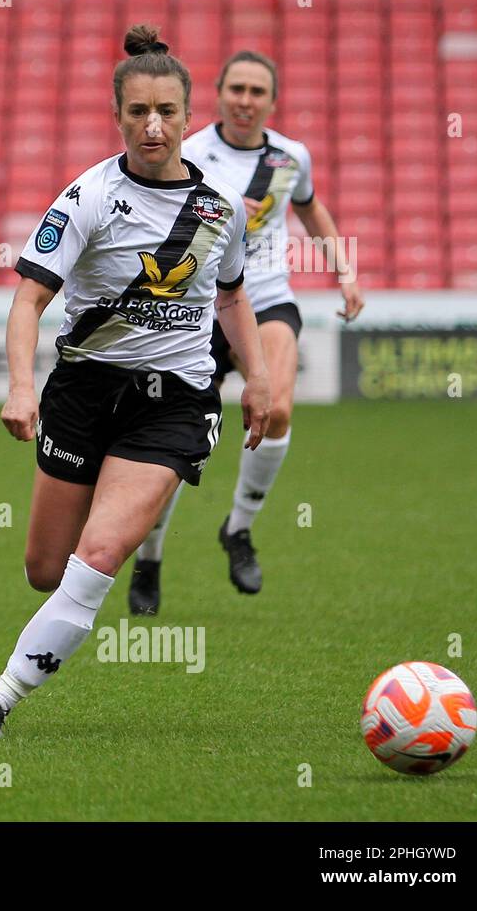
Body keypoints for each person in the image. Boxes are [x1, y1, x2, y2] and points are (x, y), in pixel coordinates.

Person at [0, 24, 270, 738]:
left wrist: (255, 378)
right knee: (46, 569)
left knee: (97, 557)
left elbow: (230, 296)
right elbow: (29, 300)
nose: (154, 126)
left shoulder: (220, 208)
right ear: (119, 116)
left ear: (192, 118)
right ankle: (126, 528)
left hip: (176, 402)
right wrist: (18, 386)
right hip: (83, 393)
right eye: (139, 113)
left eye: (167, 112)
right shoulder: (86, 198)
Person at [125, 49, 364, 616]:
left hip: (267, 297)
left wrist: (344, 270)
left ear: (271, 101)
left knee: (276, 409)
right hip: (194, 305)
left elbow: (310, 210)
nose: (246, 100)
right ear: (219, 94)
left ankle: (238, 528)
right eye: (237, 89)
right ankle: (150, 556)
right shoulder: (193, 150)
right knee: (170, 443)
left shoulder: (290, 158)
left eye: (258, 91)